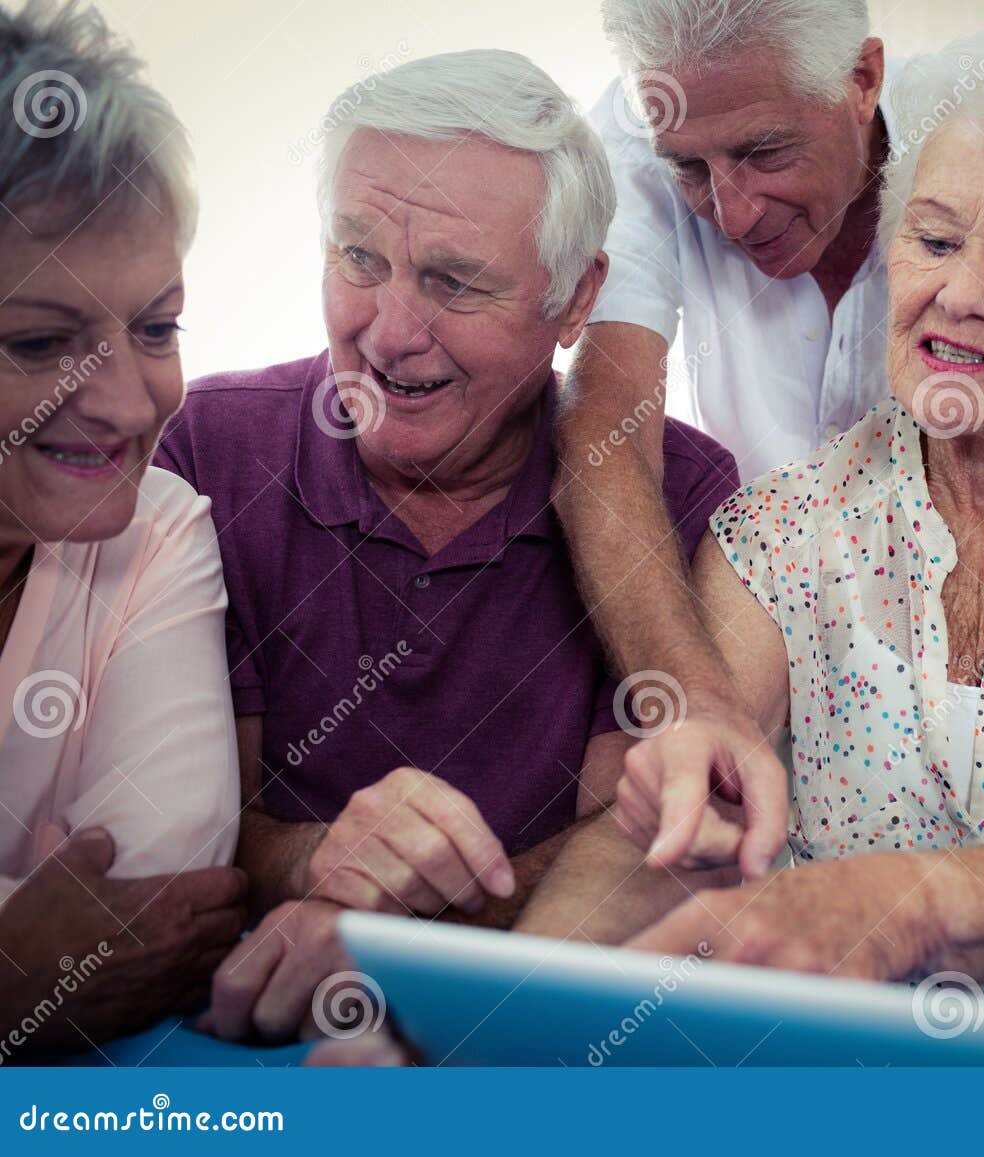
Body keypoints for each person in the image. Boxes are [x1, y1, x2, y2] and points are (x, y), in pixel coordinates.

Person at [518, 35, 984, 1028]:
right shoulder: (774, 531)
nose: (960, 293)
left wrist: (901, 899)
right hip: (866, 1059)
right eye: (931, 241)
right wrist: (499, 1017)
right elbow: (656, 834)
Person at [153, 50, 739, 1042]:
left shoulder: (682, 496)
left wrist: (398, 949)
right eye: (358, 258)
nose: (387, 333)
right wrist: (311, 860)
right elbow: (186, 828)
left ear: (575, 299)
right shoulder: (211, 447)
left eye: (453, 284)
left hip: (530, 1037)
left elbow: (639, 846)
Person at [552, 0, 984, 877]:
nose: (730, 213)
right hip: (765, 641)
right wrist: (696, 701)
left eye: (767, 152)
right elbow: (605, 433)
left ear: (862, 82)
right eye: (690, 169)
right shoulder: (768, 537)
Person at [0, 0, 245, 1055]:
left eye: (156, 327)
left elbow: (154, 894)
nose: (128, 401)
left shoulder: (158, 526)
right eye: (43, 342)